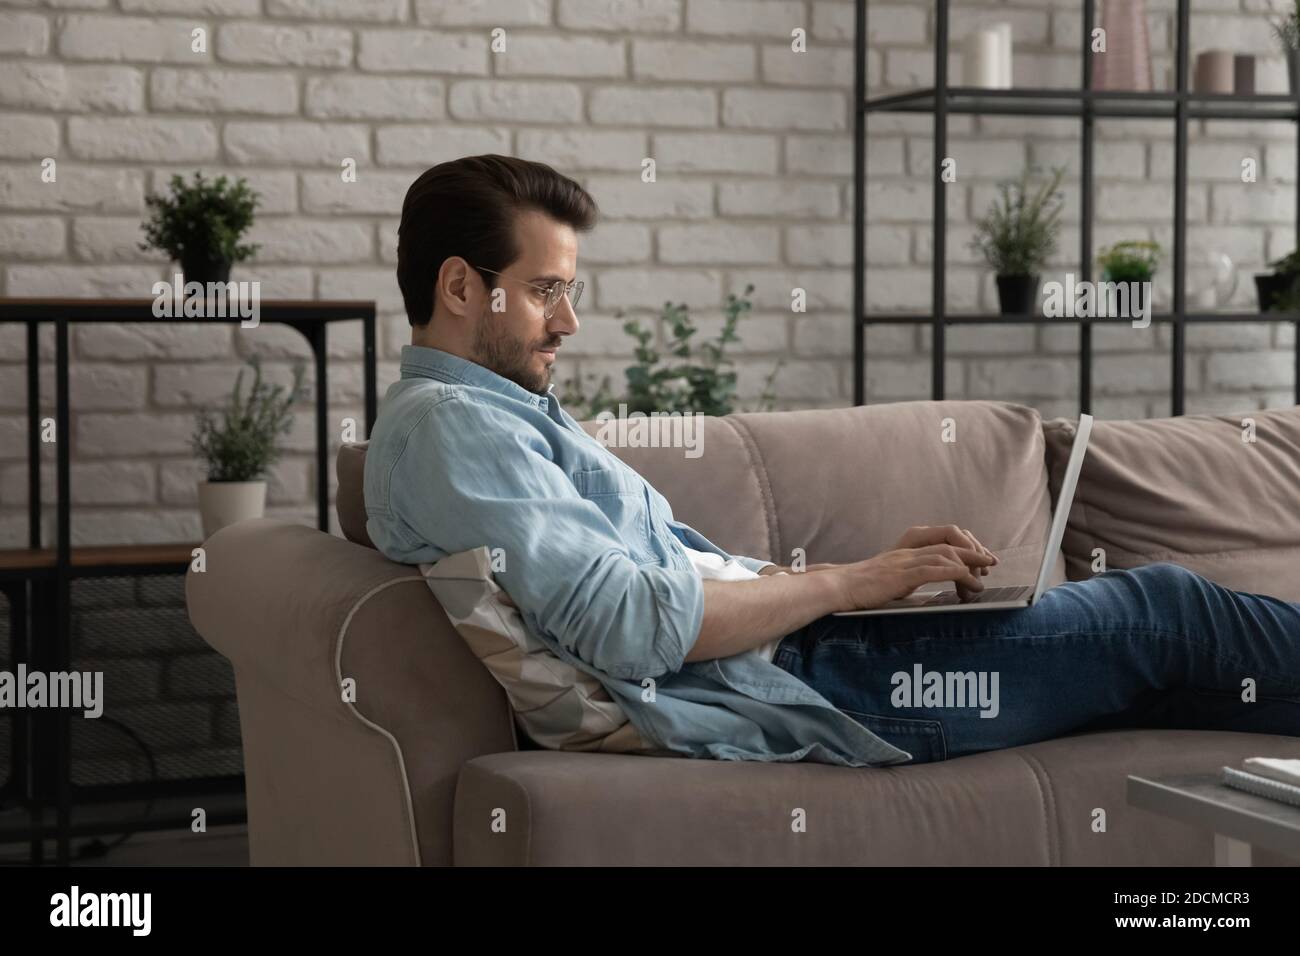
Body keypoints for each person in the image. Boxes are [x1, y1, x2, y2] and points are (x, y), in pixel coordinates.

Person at [364, 154, 1300, 767]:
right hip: (819, 673)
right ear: (460, 287)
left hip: (813, 651)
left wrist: (864, 584)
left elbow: (642, 588)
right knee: (1165, 614)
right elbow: (623, 621)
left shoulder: (498, 414)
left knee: (1176, 669)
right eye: (543, 292)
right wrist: (851, 582)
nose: (568, 321)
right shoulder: (453, 429)